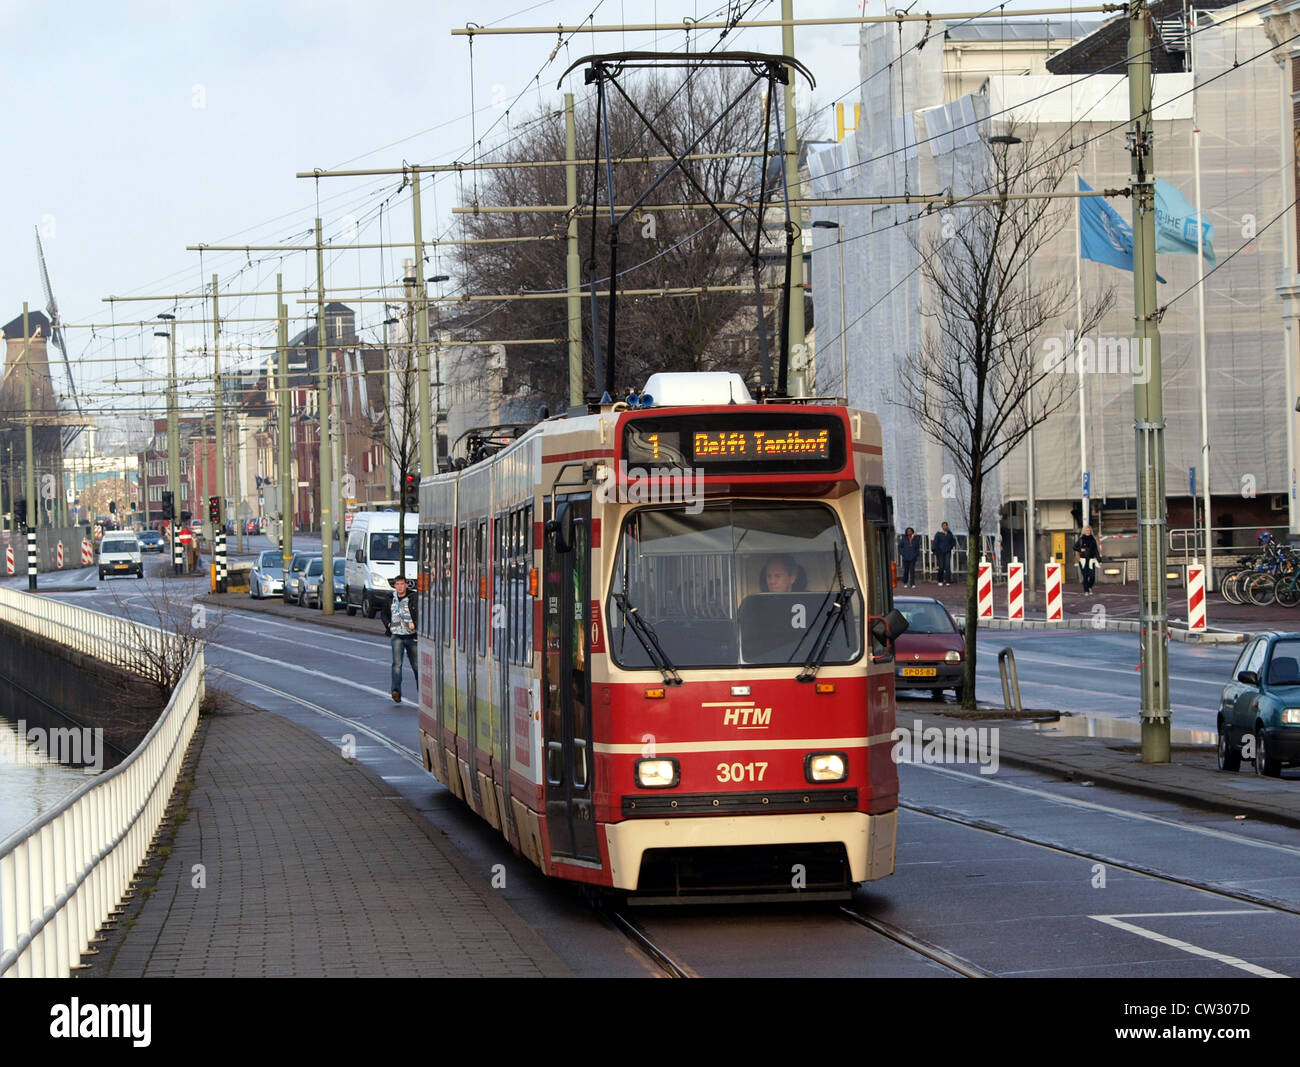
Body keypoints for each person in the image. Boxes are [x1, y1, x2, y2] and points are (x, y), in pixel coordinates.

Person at [380, 574, 419, 703]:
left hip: (411, 635)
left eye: (402, 584)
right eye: (397, 584)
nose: (400, 587)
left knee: (416, 666)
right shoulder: (390, 598)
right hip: (396, 635)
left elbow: (420, 612)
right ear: (395, 586)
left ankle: (422, 693)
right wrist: (388, 624)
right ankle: (395, 691)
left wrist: (415, 624)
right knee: (397, 664)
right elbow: (384, 613)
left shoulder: (413, 597)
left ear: (406, 585)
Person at [1074, 525, 1101, 595]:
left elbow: (1096, 551)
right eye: (1086, 530)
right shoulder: (1081, 539)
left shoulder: (1093, 539)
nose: (1088, 532)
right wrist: (1080, 549)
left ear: (1090, 531)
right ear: (1084, 531)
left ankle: (1089, 587)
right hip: (1083, 560)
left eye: (1089, 530)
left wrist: (1099, 560)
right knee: (1085, 576)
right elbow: (1074, 547)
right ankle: (1086, 590)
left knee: (1092, 576)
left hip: (1091, 560)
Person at [931, 522, 955, 586]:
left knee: (947, 566)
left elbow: (952, 542)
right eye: (944, 526)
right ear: (942, 526)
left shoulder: (949, 534)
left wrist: (950, 547)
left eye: (946, 526)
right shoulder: (938, 534)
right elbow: (935, 542)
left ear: (947, 526)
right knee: (941, 566)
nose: (945, 527)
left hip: (947, 551)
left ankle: (948, 581)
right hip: (940, 552)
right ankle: (940, 580)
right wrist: (934, 549)